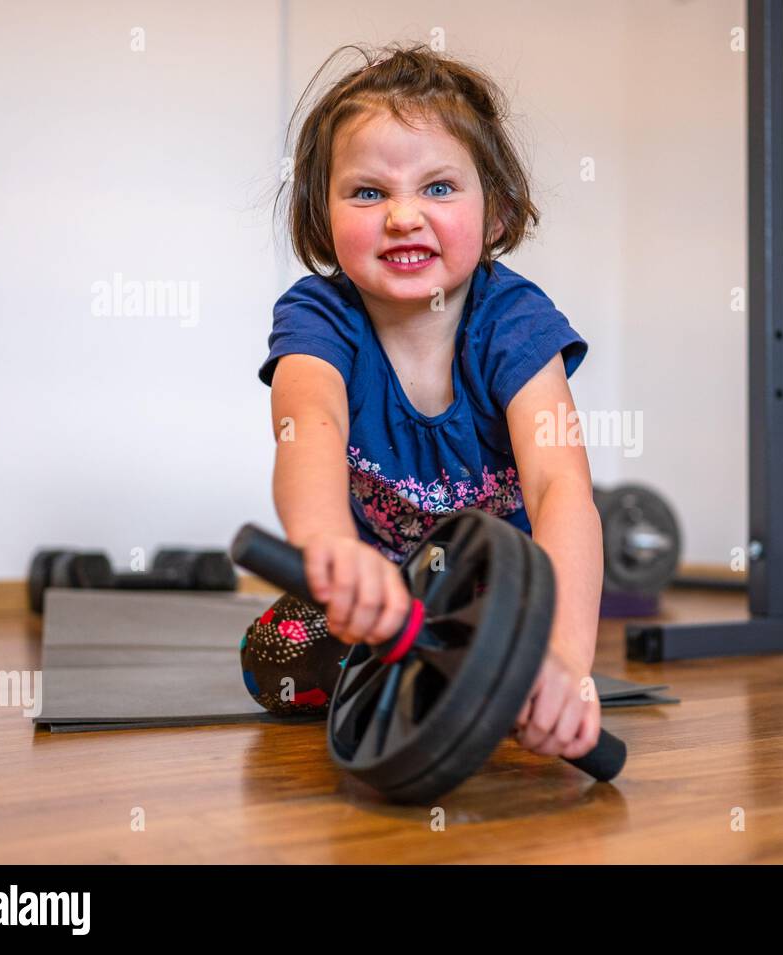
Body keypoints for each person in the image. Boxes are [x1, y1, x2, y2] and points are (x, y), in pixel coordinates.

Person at [240, 41, 603, 761]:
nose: (404, 216)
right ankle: (433, 674)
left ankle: (500, 675)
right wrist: (331, 550)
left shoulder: (515, 323)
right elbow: (306, 424)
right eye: (368, 192)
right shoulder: (317, 317)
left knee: (530, 657)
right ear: (321, 217)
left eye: (438, 188)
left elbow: (562, 484)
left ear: (495, 213)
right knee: (271, 660)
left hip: (492, 597)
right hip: (380, 599)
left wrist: (565, 661)